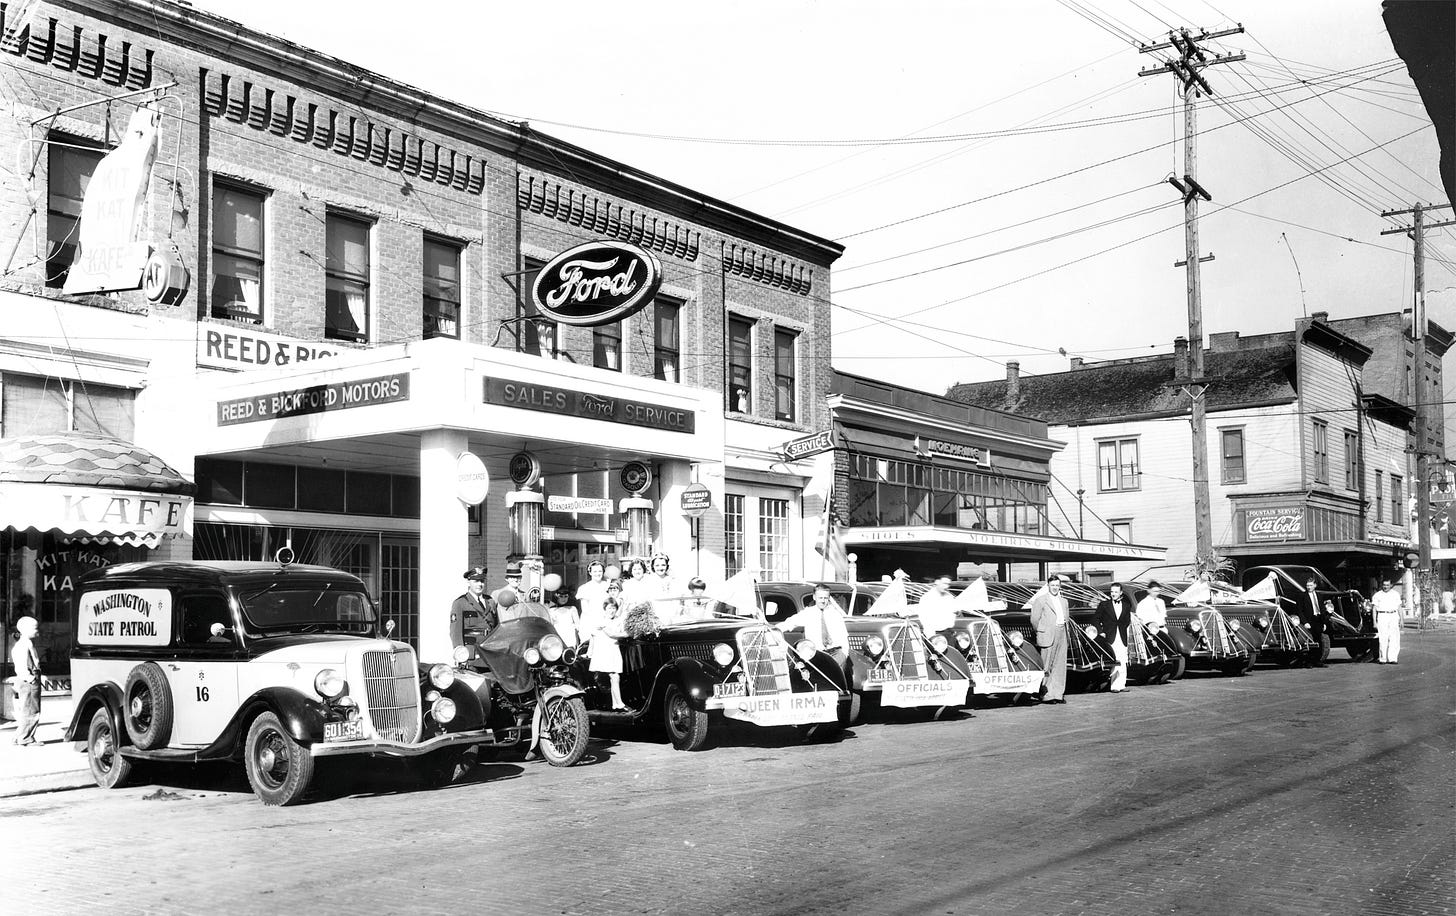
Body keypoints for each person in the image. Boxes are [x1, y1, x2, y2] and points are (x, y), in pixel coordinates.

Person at [775, 584, 849, 663]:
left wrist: (844, 654)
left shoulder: (836, 614)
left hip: (836, 654)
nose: (823, 601)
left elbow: (844, 637)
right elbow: (789, 623)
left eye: (825, 598)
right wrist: (772, 629)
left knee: (835, 675)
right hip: (816, 655)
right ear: (814, 597)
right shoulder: (808, 613)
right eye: (820, 598)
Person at [1030, 577, 1070, 704]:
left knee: (1060, 665)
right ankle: (1046, 695)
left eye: (1057, 585)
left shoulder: (1064, 601)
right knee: (1047, 665)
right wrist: (1042, 631)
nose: (1055, 587)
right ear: (1048, 585)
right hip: (1048, 634)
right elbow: (1034, 620)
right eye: (1052, 585)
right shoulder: (1041, 600)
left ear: (1060, 586)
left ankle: (1058, 694)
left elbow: (1066, 618)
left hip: (1062, 632)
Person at [582, 595, 626, 709]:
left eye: (614, 608)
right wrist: (589, 652)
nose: (612, 611)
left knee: (614, 678)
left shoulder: (618, 620)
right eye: (609, 608)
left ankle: (615, 704)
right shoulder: (600, 621)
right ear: (605, 608)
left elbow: (621, 631)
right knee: (615, 677)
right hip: (604, 651)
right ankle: (619, 703)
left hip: (614, 650)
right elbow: (611, 634)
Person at [1095, 583, 1135, 692]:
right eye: (1112, 592)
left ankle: (1122, 684)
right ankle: (1113, 685)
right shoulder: (1104, 605)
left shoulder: (1126, 605)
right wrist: (1101, 631)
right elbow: (1096, 619)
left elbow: (1127, 620)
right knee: (1114, 659)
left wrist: (1123, 629)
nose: (1113, 594)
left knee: (1123, 659)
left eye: (1116, 592)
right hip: (1109, 636)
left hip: (1121, 636)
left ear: (1121, 593)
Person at [10, 616, 41, 746]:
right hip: (28, 681)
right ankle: (26, 738)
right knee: (31, 710)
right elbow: (21, 666)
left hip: (28, 679)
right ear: (24, 630)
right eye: (34, 628)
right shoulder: (23, 646)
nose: (37, 630)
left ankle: (19, 736)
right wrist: (31, 678)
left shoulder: (26, 643)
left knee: (26, 709)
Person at [449, 566, 497, 647]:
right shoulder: (460, 603)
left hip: (489, 651)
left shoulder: (490, 601)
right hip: (471, 652)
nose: (479, 584)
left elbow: (496, 627)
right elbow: (455, 632)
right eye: (476, 581)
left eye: (482, 581)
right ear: (468, 582)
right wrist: (460, 653)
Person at [1371, 577, 1403, 664]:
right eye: (1384, 585)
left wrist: (1401, 620)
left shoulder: (1396, 594)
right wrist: (1375, 622)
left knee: (1394, 638)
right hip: (1382, 616)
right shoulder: (1377, 595)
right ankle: (1383, 658)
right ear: (1382, 585)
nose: (1386, 587)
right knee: (1383, 638)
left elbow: (1399, 607)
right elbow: (1374, 610)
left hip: (1393, 616)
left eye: (1387, 585)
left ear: (1391, 585)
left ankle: (1393, 658)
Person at [1300, 577, 1329, 667]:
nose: (1308, 587)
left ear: (1315, 585)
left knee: (1319, 640)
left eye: (1310, 585)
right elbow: (1300, 610)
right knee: (1310, 641)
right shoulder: (1302, 596)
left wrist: (1324, 623)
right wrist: (1305, 622)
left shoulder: (1319, 595)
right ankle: (1308, 661)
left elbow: (1322, 609)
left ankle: (1318, 661)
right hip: (1309, 620)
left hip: (1318, 619)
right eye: (1307, 585)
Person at [575, 561, 610, 636]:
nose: (597, 573)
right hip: (590, 622)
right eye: (595, 571)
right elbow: (585, 610)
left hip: (606, 621)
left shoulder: (607, 586)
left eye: (600, 571)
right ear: (590, 572)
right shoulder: (584, 588)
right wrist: (597, 623)